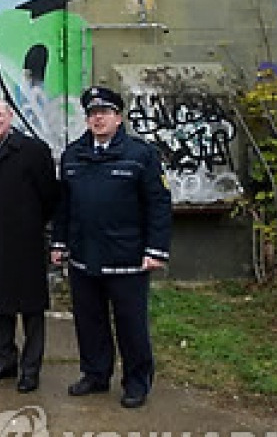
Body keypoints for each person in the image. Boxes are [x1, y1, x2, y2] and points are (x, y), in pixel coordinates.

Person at [51, 86, 172, 409]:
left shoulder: (140, 155)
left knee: (131, 324)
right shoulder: (73, 155)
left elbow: (158, 204)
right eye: (92, 114)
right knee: (89, 321)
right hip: (84, 256)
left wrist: (155, 250)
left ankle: (136, 382)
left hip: (127, 258)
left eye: (104, 113)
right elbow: (64, 205)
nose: (98, 118)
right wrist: (59, 242)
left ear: (118, 118)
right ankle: (95, 374)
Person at [0, 99, 59, 393]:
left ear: (10, 116)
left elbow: (49, 195)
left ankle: (30, 369)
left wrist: (34, 222)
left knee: (32, 308)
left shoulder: (34, 150)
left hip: (27, 239)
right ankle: (4, 361)